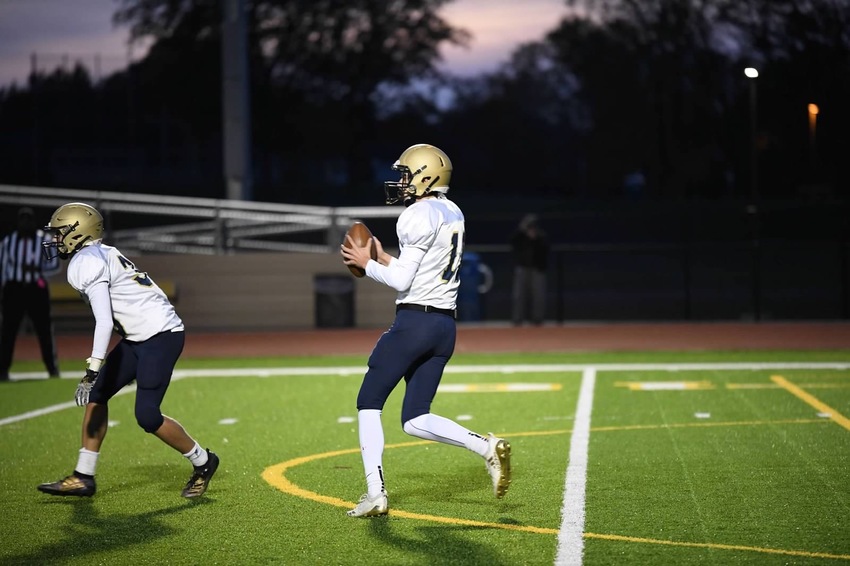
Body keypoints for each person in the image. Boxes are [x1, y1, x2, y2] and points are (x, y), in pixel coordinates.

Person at [340, 143, 511, 518]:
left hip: (414, 323)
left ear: (425, 175)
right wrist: (384, 257)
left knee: (368, 403)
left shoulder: (416, 214)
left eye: (406, 174)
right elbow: (421, 268)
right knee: (416, 418)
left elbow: (402, 279)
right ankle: (486, 447)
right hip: (444, 326)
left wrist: (368, 264)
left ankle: (375, 493)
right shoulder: (452, 210)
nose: (400, 182)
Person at [35, 202, 219, 498]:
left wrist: (92, 369)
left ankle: (204, 460)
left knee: (147, 416)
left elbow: (105, 321)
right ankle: (83, 476)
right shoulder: (100, 252)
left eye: (59, 233)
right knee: (98, 396)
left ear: (76, 232)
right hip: (138, 335)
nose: (55, 240)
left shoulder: (86, 262)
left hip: (160, 335)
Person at [0, 207, 61, 381]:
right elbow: (3, 267)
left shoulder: (45, 240)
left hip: (37, 288)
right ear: (18, 222)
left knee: (44, 331)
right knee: (8, 331)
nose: (26, 223)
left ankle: (52, 369)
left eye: (29, 220)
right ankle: (2, 370)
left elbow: (55, 265)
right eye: (22, 219)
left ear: (34, 222)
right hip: (14, 289)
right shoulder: (8, 241)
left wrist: (38, 269)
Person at [510, 213, 549, 326]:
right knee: (519, 296)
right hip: (522, 268)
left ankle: (538, 319)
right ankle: (517, 319)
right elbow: (512, 241)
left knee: (538, 296)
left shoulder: (541, 236)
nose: (531, 228)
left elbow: (546, 249)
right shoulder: (520, 236)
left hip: (537, 269)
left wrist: (535, 239)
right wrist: (522, 231)